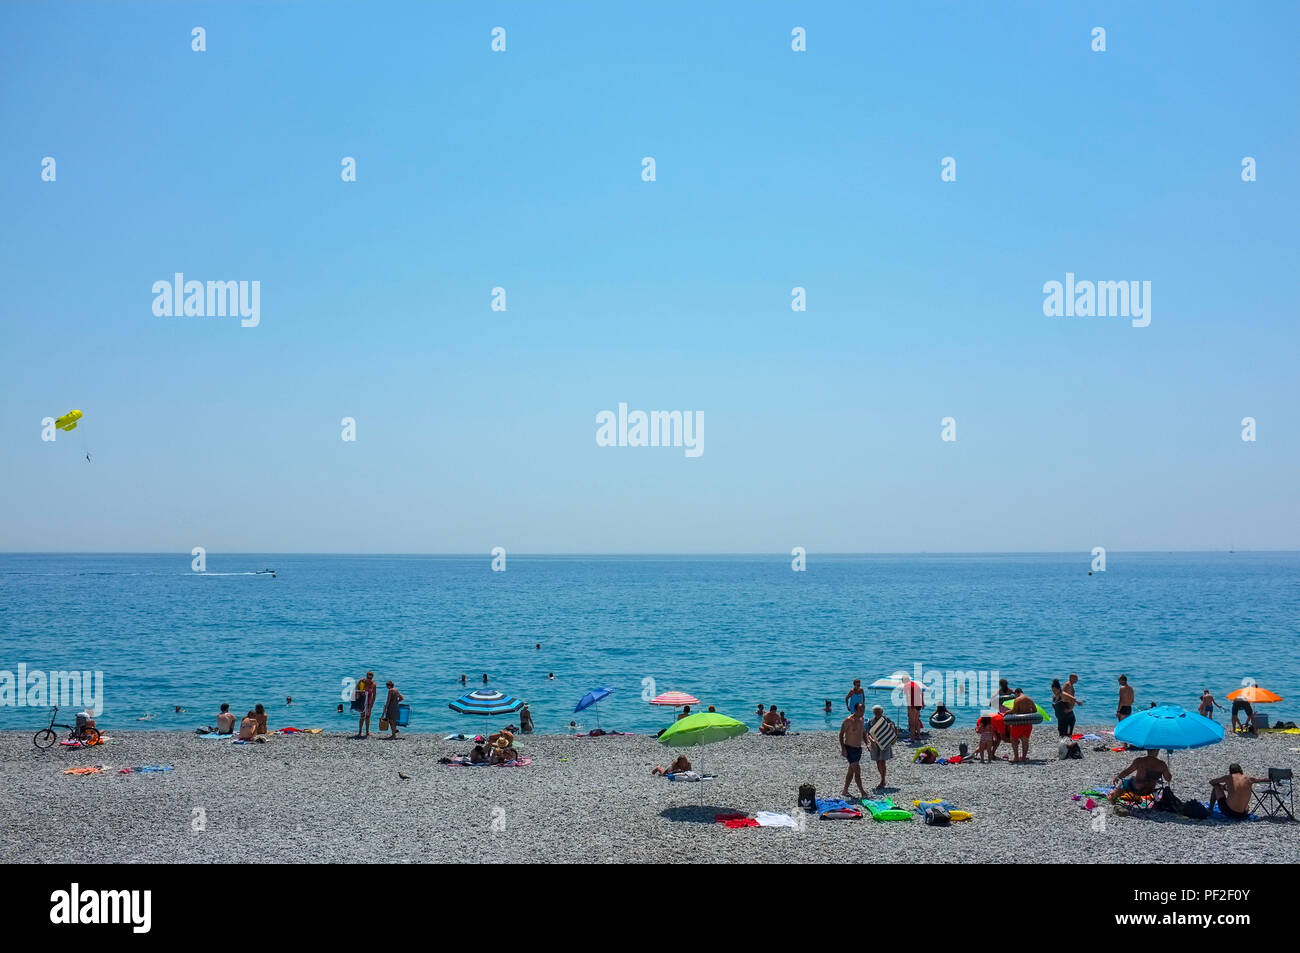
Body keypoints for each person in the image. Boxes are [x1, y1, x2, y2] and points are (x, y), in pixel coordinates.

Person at [839, 703, 869, 798]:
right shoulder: (848, 720)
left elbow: (863, 733)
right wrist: (843, 748)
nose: (862, 712)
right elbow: (841, 734)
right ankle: (863, 792)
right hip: (850, 749)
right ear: (855, 710)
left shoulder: (862, 720)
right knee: (857, 771)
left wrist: (867, 744)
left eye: (863, 710)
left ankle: (845, 791)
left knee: (851, 771)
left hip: (858, 749)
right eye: (860, 710)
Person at [865, 704, 894, 790]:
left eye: (879, 711)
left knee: (882, 761)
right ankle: (882, 778)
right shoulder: (871, 722)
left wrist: (891, 727)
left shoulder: (886, 720)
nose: (877, 713)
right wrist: (871, 741)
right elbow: (869, 733)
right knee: (878, 762)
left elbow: (892, 730)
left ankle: (882, 780)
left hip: (884, 743)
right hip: (875, 744)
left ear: (882, 712)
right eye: (876, 712)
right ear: (873, 712)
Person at [1006, 688, 1036, 763]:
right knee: (1025, 740)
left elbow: (1014, 711)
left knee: (1013, 739)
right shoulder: (1030, 699)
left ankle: (1016, 758)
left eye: (1015, 695)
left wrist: (1007, 712)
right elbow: (1035, 710)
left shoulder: (1017, 700)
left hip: (1018, 723)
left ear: (1016, 693)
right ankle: (1023, 758)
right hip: (1028, 723)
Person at [356, 671, 378, 738]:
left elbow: (374, 695)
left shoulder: (373, 684)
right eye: (368, 677)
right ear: (366, 676)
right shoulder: (362, 681)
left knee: (368, 716)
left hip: (369, 701)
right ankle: (360, 731)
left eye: (371, 677)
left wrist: (372, 704)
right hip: (362, 701)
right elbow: (356, 689)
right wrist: (358, 695)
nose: (369, 679)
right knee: (362, 716)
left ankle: (367, 732)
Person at [904, 676, 925, 742]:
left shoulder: (906, 685)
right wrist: (922, 703)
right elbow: (922, 693)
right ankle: (919, 736)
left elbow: (908, 697)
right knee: (917, 721)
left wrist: (909, 709)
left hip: (913, 704)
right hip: (918, 704)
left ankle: (912, 739)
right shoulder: (916, 684)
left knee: (912, 722)